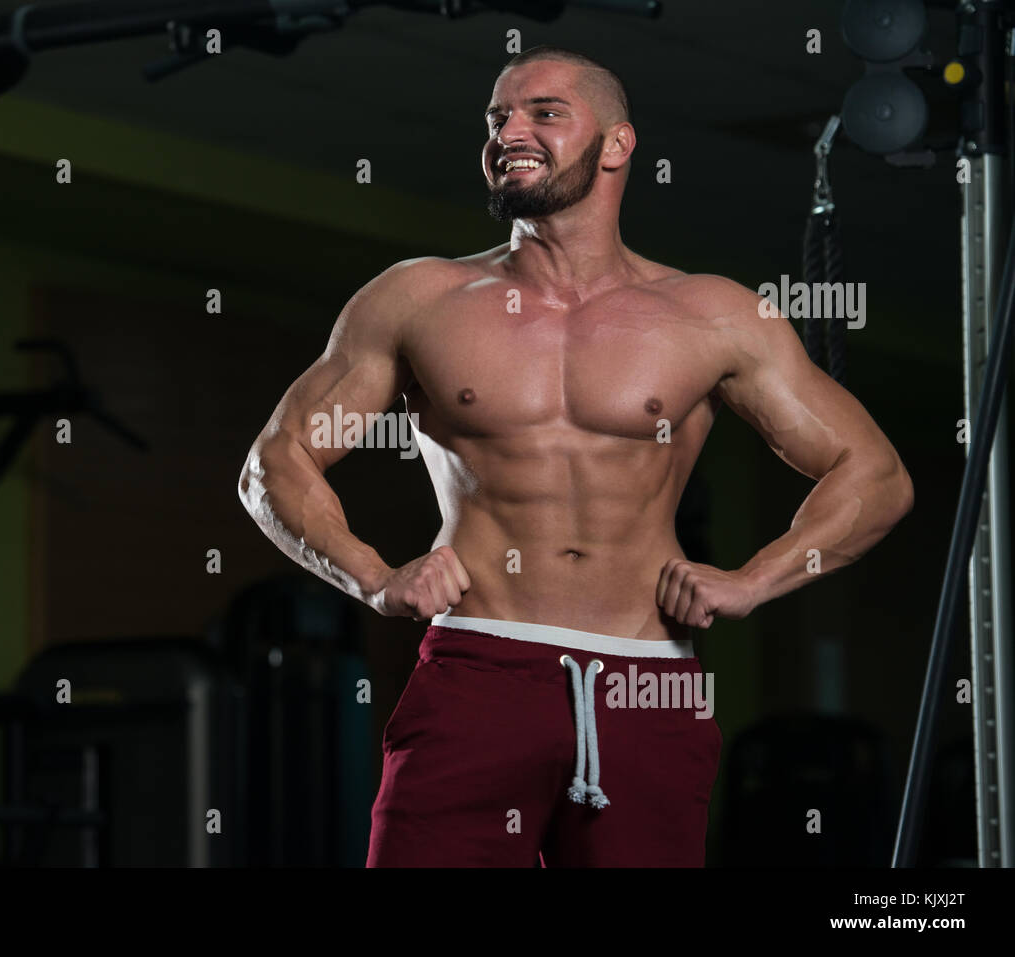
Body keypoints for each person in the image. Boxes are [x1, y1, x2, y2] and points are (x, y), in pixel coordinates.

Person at [237, 46, 914, 866]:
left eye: (543, 112)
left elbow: (875, 476)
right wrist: (376, 578)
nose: (509, 131)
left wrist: (753, 580)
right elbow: (274, 464)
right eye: (497, 118)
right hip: (478, 666)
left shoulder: (715, 315)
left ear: (619, 144)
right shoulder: (418, 298)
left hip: (648, 680)